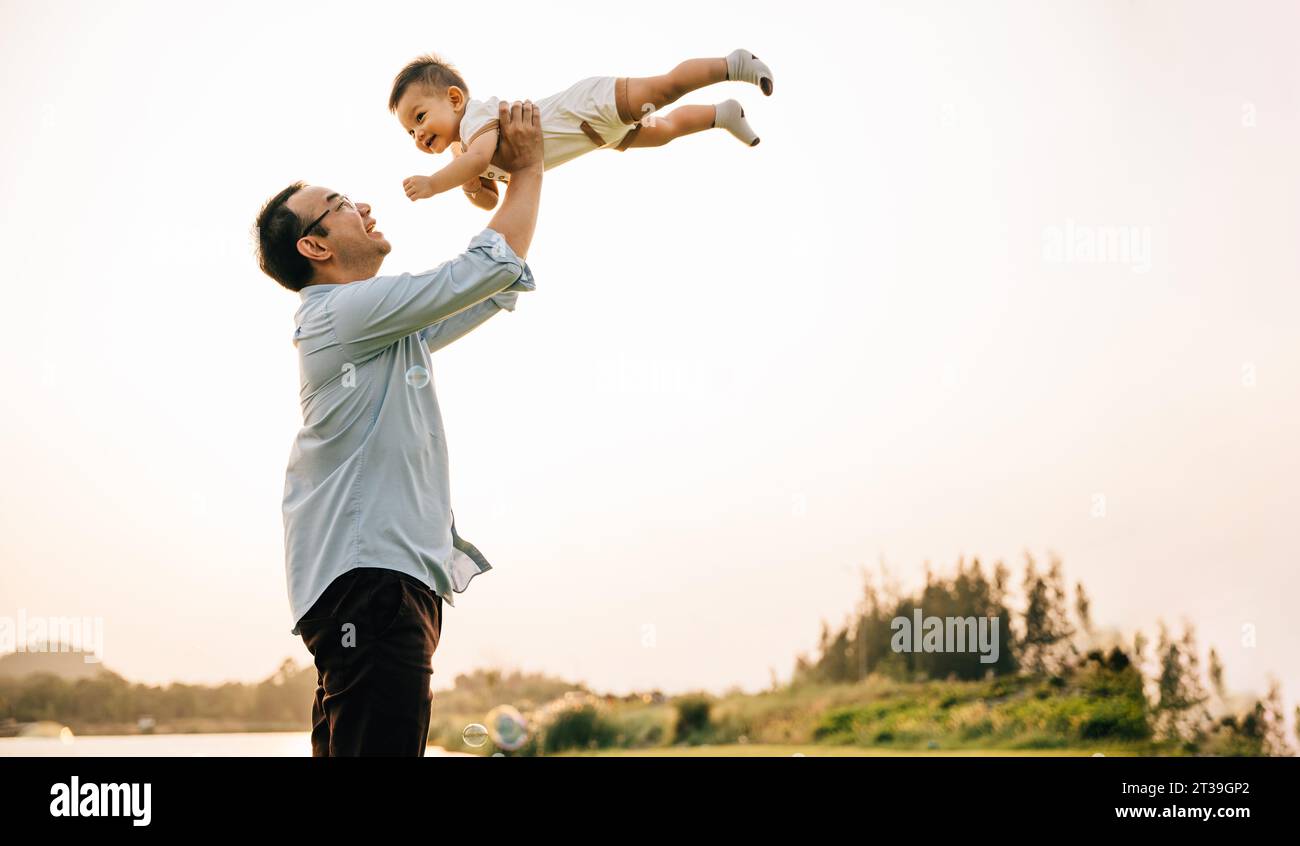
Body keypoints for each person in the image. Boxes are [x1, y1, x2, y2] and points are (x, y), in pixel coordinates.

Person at [252, 101, 544, 756]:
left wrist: (523, 176)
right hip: (372, 588)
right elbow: (485, 270)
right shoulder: (341, 314)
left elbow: (490, 288)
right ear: (316, 246)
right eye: (341, 203)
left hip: (375, 587)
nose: (366, 206)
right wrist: (527, 169)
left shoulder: (375, 327)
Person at [392, 49, 773, 209]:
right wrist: (472, 188)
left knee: (665, 88)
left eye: (420, 118)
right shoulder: (463, 153)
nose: (418, 136)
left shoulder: (475, 119)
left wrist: (433, 183)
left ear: (455, 99)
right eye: (410, 133)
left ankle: (733, 64)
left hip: (589, 106)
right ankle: (722, 114)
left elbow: (478, 160)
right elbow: (492, 202)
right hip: (600, 135)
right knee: (666, 131)